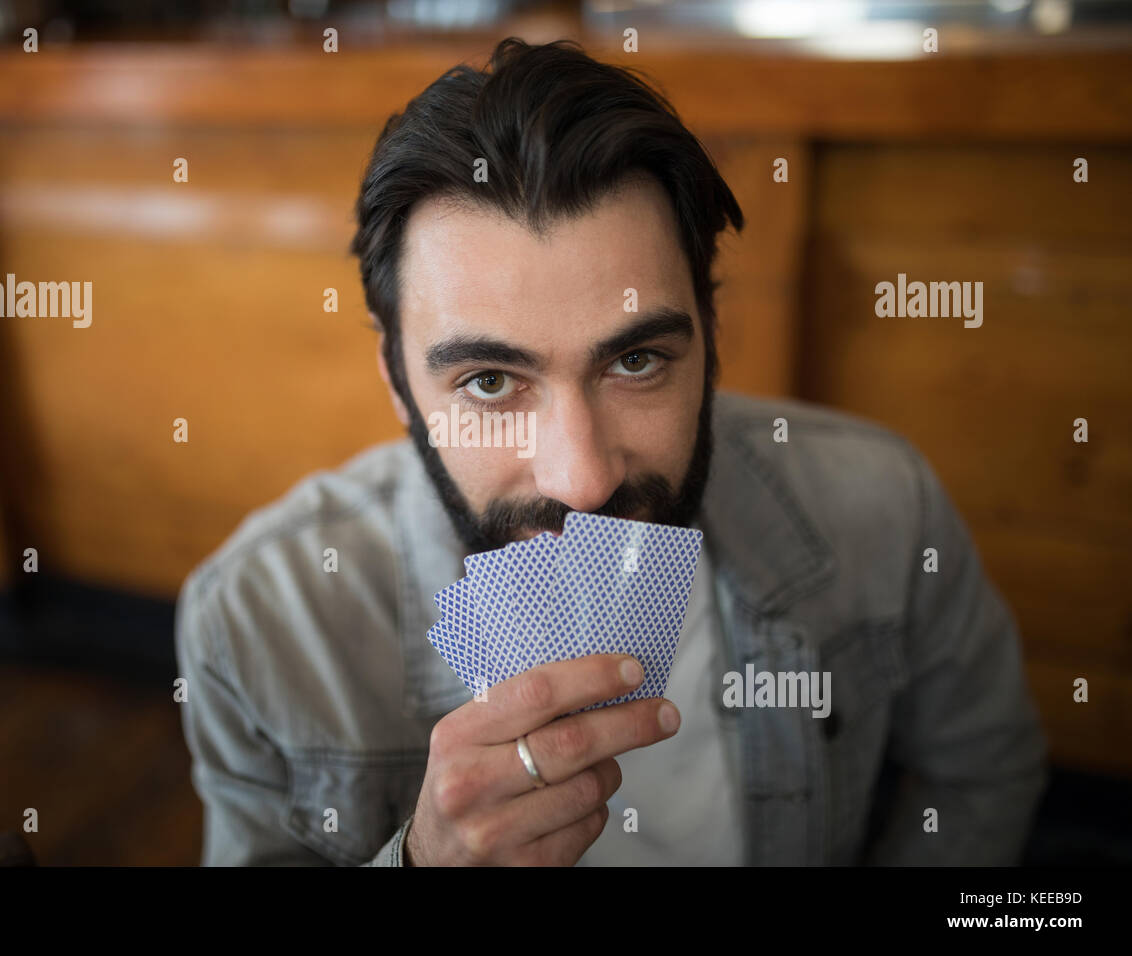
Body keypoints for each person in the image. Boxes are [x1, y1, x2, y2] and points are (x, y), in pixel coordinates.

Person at [174, 37, 1047, 866]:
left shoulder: (885, 507)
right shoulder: (257, 624)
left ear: (712, 337)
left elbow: (983, 774)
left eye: (636, 362)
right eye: (489, 382)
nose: (583, 480)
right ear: (399, 384)